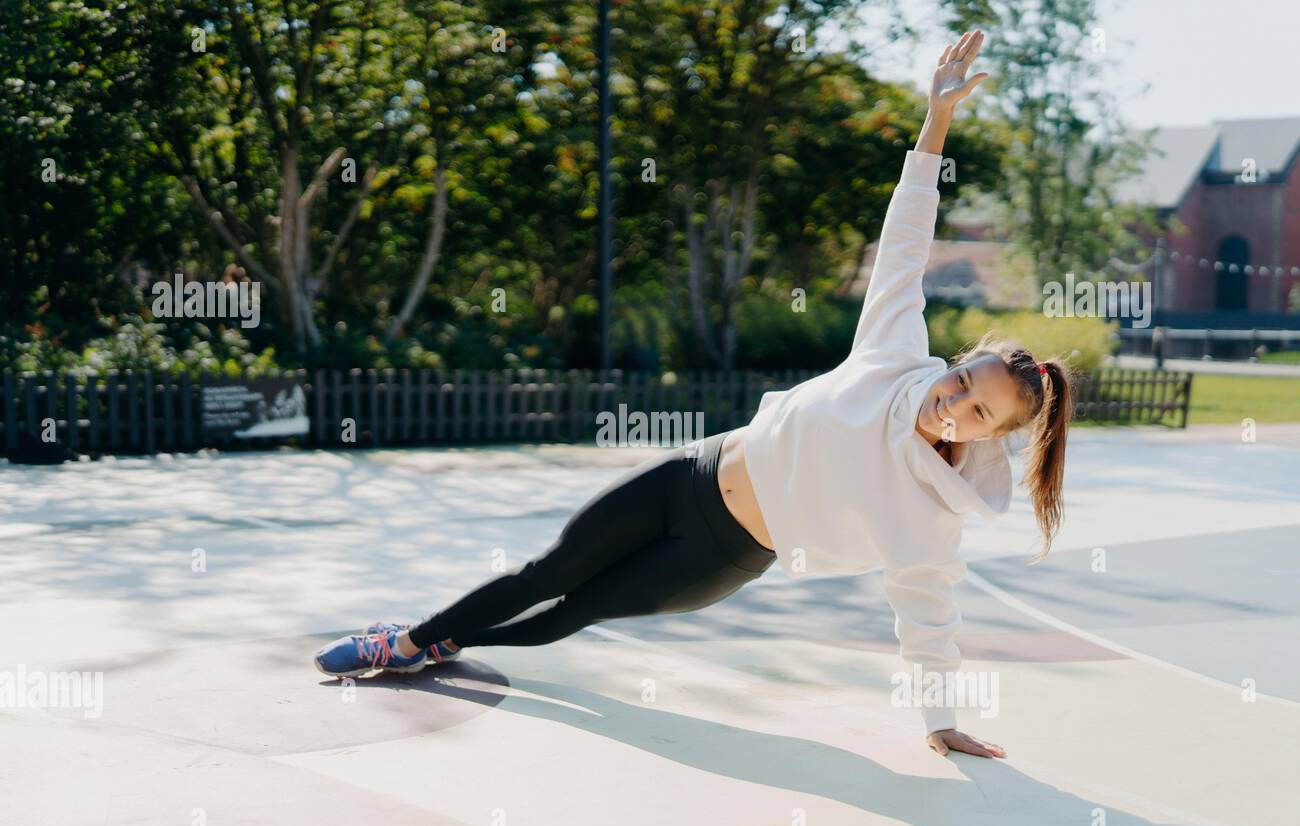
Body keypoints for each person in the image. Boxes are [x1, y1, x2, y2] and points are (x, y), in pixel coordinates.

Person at [314, 30, 1074, 758]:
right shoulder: (893, 353)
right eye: (962, 380)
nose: (953, 403)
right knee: (544, 572)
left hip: (721, 554)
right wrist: (936, 121)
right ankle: (407, 642)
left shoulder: (933, 513)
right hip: (693, 473)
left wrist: (940, 720)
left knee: (563, 617)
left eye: (977, 412)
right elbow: (907, 237)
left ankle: (451, 638)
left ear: (988, 436)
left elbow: (929, 616)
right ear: (957, 362)